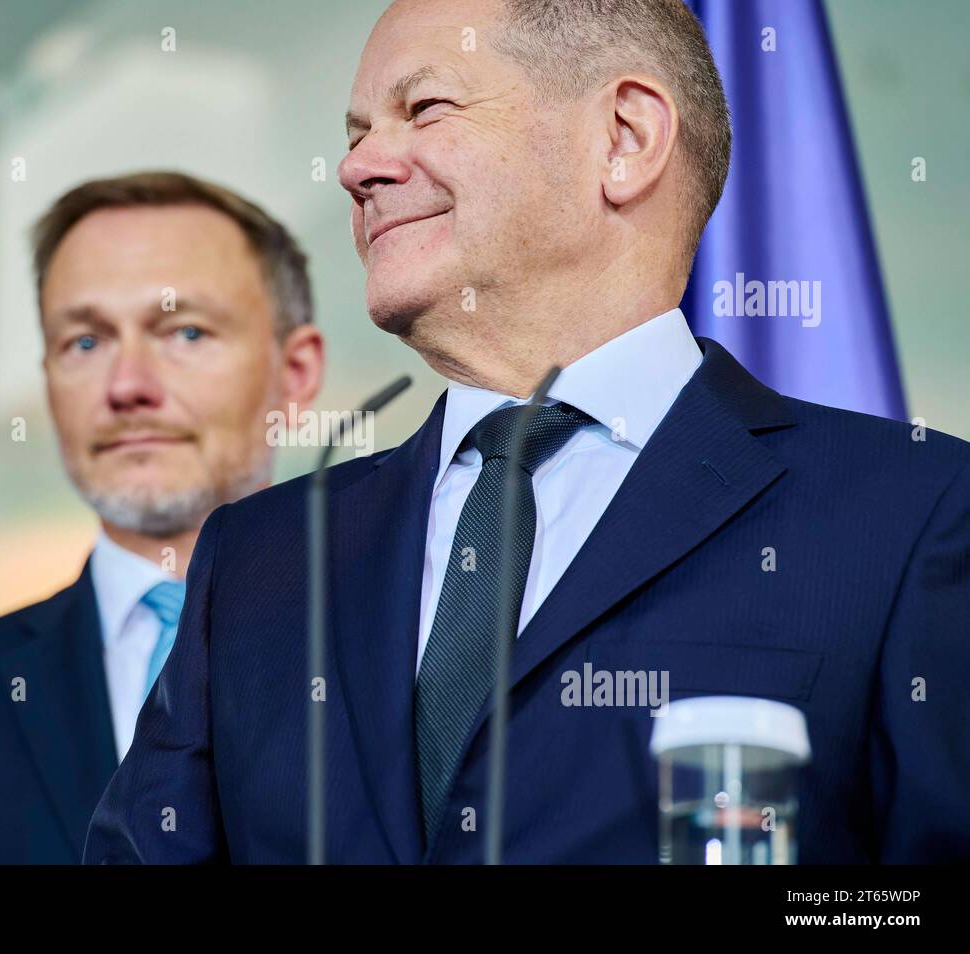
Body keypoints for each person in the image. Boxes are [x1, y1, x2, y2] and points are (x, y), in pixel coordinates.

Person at [85, 0, 970, 863]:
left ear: (624, 137)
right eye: (356, 135)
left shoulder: (908, 515)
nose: (357, 168)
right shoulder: (259, 558)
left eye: (424, 108)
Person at [0, 172, 325, 863]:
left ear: (295, 374)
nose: (127, 386)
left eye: (186, 332)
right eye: (85, 343)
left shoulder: (410, 659)